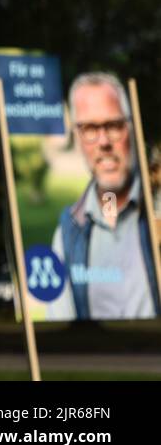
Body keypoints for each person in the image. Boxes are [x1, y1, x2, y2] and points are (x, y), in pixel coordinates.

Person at [46, 72, 158, 321]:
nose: (104, 142)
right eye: (90, 129)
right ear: (77, 139)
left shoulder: (156, 210)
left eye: (114, 125)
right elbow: (61, 328)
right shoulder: (68, 232)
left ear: (131, 128)